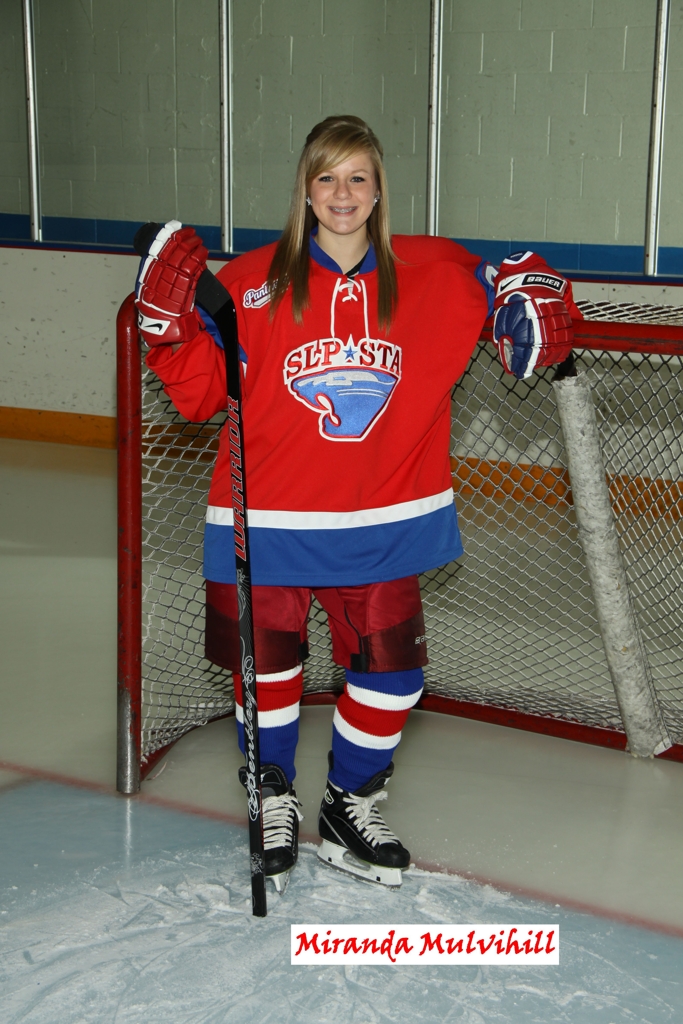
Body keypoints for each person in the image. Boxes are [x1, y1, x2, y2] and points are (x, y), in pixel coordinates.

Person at [135, 115, 579, 891]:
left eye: (358, 178)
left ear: (378, 190)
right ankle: (270, 792)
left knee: (390, 676)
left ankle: (350, 803)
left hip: (384, 523)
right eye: (326, 177)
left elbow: (519, 275)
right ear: (305, 188)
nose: (342, 194)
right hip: (262, 521)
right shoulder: (244, 281)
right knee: (266, 677)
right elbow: (202, 398)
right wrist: (169, 334)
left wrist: (531, 292)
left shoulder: (435, 272)